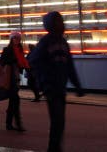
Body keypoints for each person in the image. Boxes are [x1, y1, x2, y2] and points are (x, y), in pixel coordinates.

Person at [28, 11, 84, 152]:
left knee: (59, 121)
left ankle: (55, 147)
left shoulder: (63, 42)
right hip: (51, 87)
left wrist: (77, 85)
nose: (62, 24)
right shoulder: (46, 42)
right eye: (59, 21)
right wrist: (44, 79)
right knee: (58, 120)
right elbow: (33, 60)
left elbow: (69, 66)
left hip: (60, 86)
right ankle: (54, 148)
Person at [0, 32, 27, 131]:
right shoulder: (8, 50)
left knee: (13, 102)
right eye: (15, 38)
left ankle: (9, 124)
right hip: (9, 79)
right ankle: (18, 124)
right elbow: (1, 62)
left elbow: (23, 63)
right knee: (15, 100)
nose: (17, 40)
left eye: (18, 38)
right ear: (11, 39)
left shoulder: (20, 50)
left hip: (16, 77)